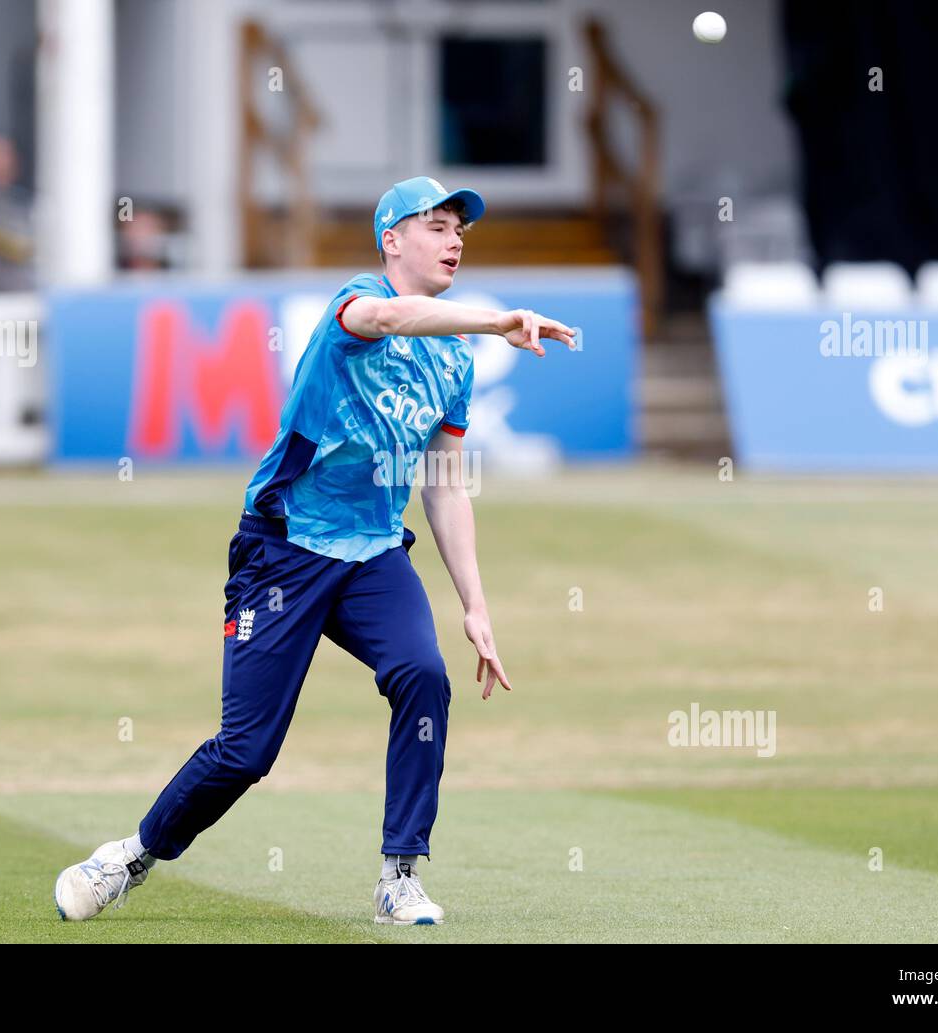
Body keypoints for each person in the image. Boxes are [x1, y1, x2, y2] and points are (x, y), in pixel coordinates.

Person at [54, 176, 575, 926]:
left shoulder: (455, 362)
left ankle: (400, 874)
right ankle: (129, 855)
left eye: (460, 229)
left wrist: (476, 607)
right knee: (246, 752)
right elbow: (394, 314)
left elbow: (445, 486)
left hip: (371, 554)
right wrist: (499, 322)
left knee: (423, 675)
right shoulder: (355, 306)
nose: (454, 239)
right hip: (284, 551)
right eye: (434, 226)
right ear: (391, 238)